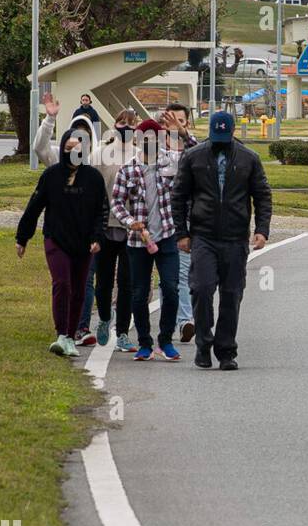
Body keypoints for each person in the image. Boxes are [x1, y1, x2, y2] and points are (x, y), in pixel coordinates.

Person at [172, 111, 272, 371]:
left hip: (235, 238)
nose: (219, 141)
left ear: (232, 132)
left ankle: (226, 351)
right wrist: (181, 233)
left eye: (223, 136)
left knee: (231, 295)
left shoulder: (249, 158)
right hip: (203, 236)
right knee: (202, 289)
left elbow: (262, 195)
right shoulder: (193, 157)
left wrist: (262, 229)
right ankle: (203, 344)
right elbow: (178, 196)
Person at [15, 126, 109, 357]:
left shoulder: (93, 178)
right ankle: (60, 334)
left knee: (78, 290)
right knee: (62, 284)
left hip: (84, 243)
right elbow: (34, 206)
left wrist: (98, 238)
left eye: (77, 147)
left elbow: (102, 211)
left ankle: (69, 335)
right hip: (56, 239)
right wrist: (22, 237)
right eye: (68, 147)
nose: (73, 151)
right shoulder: (51, 175)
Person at [111, 120, 182, 363]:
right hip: (137, 241)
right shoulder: (127, 169)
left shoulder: (170, 164)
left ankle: (166, 341)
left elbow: (193, 151)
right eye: (144, 137)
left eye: (154, 137)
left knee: (171, 289)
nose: (149, 141)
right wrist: (130, 221)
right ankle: (144, 343)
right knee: (139, 294)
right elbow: (117, 203)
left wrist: (181, 132)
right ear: (137, 140)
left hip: (166, 236)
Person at [74, 107, 140, 347]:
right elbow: (90, 187)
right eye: (122, 122)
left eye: (131, 123)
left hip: (131, 227)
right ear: (115, 125)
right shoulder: (100, 155)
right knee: (103, 281)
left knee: (127, 281)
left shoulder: (140, 154)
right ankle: (103, 318)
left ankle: (122, 331)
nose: (126, 127)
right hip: (105, 225)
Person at [158, 103, 198, 344]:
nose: (173, 125)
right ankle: (169, 323)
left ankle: (185, 321)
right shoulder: (153, 150)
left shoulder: (192, 150)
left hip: (185, 224)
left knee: (182, 275)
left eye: (180, 121)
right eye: (168, 122)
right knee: (166, 280)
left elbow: (199, 149)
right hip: (157, 224)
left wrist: (181, 134)